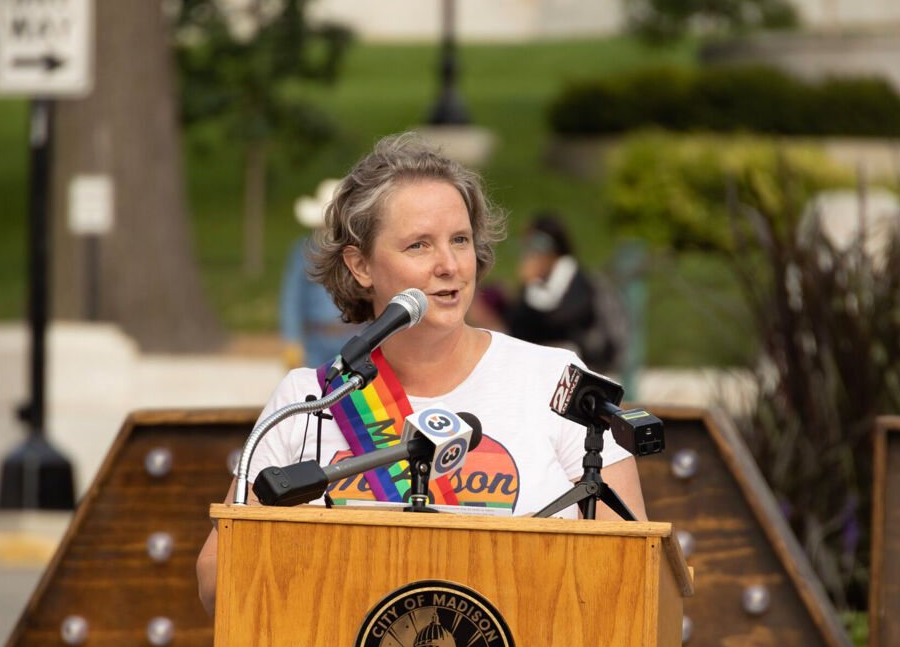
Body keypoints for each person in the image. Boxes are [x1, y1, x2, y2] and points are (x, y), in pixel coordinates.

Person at [196, 134, 646, 615]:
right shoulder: (309, 402)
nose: (449, 265)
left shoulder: (556, 382)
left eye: (460, 240)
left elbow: (635, 570)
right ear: (361, 265)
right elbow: (216, 580)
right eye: (418, 245)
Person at [504, 213, 623, 375]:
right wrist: (528, 287)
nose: (530, 255)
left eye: (534, 247)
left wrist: (531, 286)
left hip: (582, 364)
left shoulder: (577, 280)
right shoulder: (537, 284)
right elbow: (518, 326)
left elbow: (561, 319)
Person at [279, 178, 352, 370]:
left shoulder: (358, 253)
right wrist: (291, 340)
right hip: (315, 340)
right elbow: (291, 298)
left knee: (353, 397)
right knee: (314, 393)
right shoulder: (302, 251)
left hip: (354, 339)